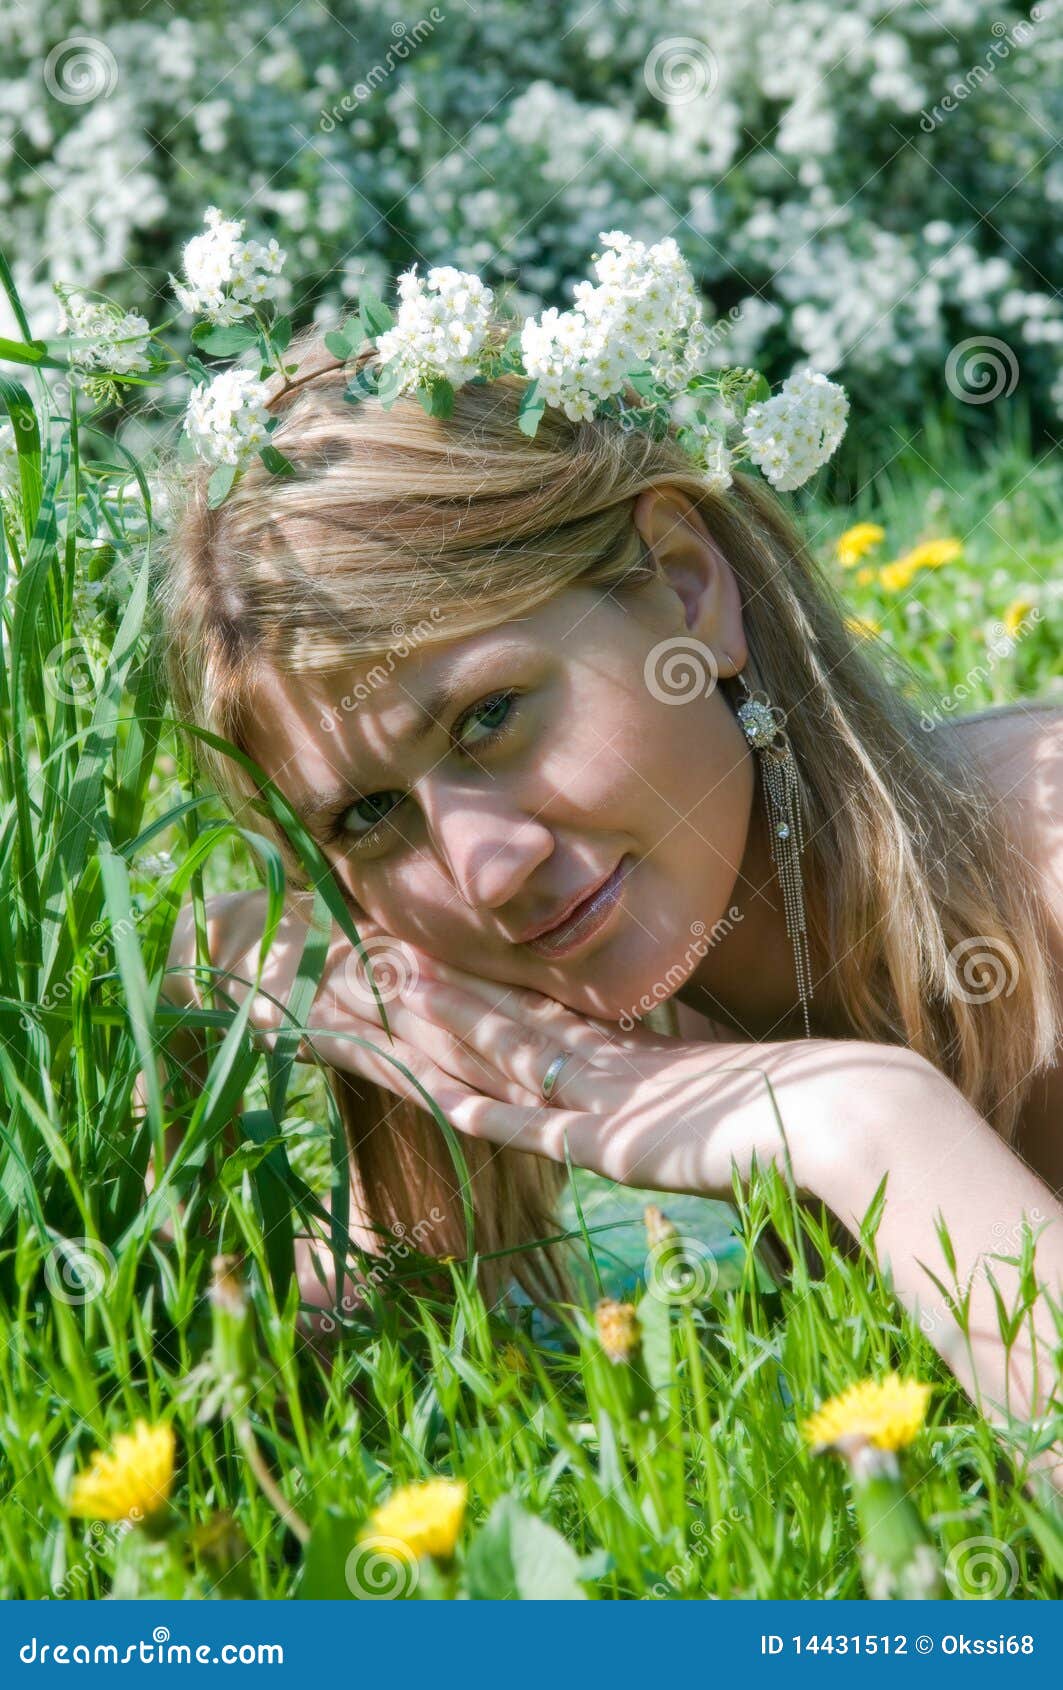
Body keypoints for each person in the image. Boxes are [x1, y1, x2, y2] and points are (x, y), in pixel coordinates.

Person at [153, 316, 1063, 1485]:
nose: (482, 869)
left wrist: (869, 1127)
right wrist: (207, 986)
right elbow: (338, 1382)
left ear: (686, 591)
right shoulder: (522, 994)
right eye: (369, 816)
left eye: (489, 715)